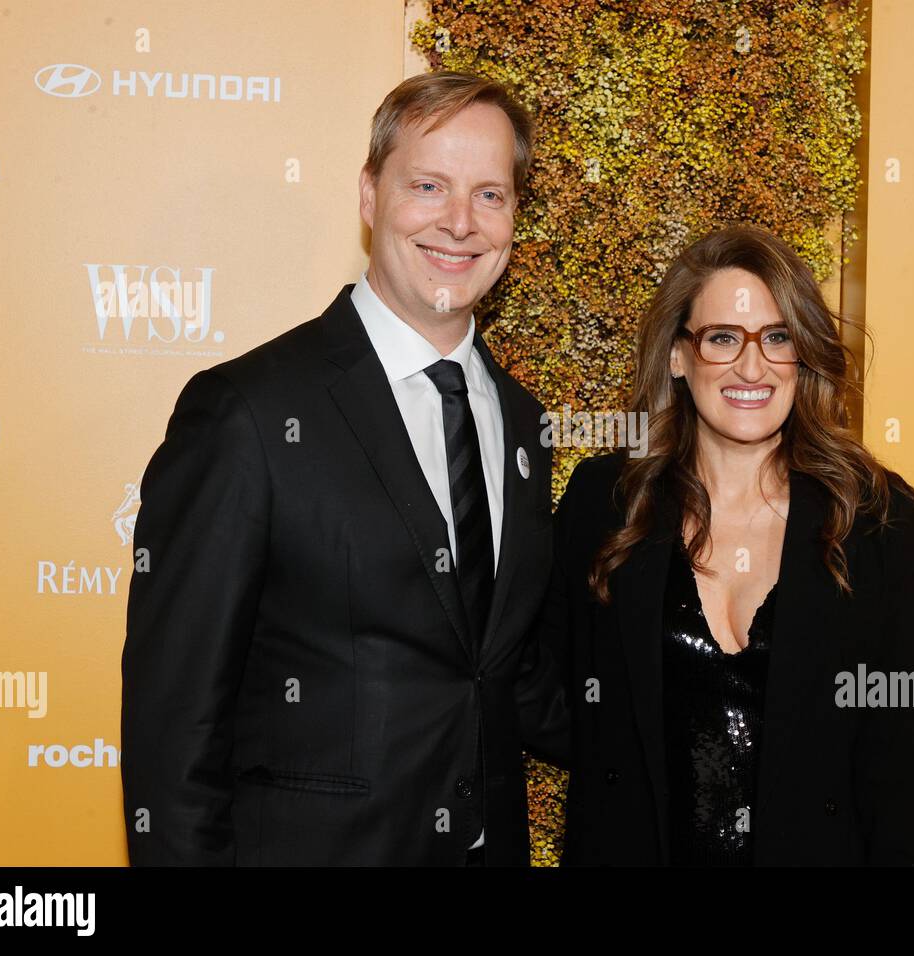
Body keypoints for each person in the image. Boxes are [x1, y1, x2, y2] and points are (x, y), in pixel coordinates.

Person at [121, 71, 569, 866]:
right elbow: (173, 722)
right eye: (427, 186)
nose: (460, 223)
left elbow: (513, 675)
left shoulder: (522, 421)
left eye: (490, 195)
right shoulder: (247, 413)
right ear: (369, 196)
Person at [542, 224, 914, 865]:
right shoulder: (605, 504)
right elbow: (549, 689)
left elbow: (901, 766)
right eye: (722, 338)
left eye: (778, 337)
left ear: (804, 355)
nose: (751, 365)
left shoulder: (876, 519)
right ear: (678, 356)